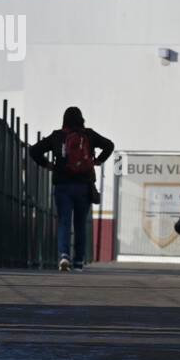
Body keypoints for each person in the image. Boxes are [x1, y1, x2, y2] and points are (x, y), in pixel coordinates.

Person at [29, 107, 114, 270]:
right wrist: (98, 161)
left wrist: (48, 165)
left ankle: (64, 256)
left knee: (64, 222)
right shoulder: (89, 135)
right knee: (80, 224)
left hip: (62, 185)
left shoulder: (57, 136)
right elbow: (109, 145)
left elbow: (34, 150)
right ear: (81, 119)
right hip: (84, 186)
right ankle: (79, 262)